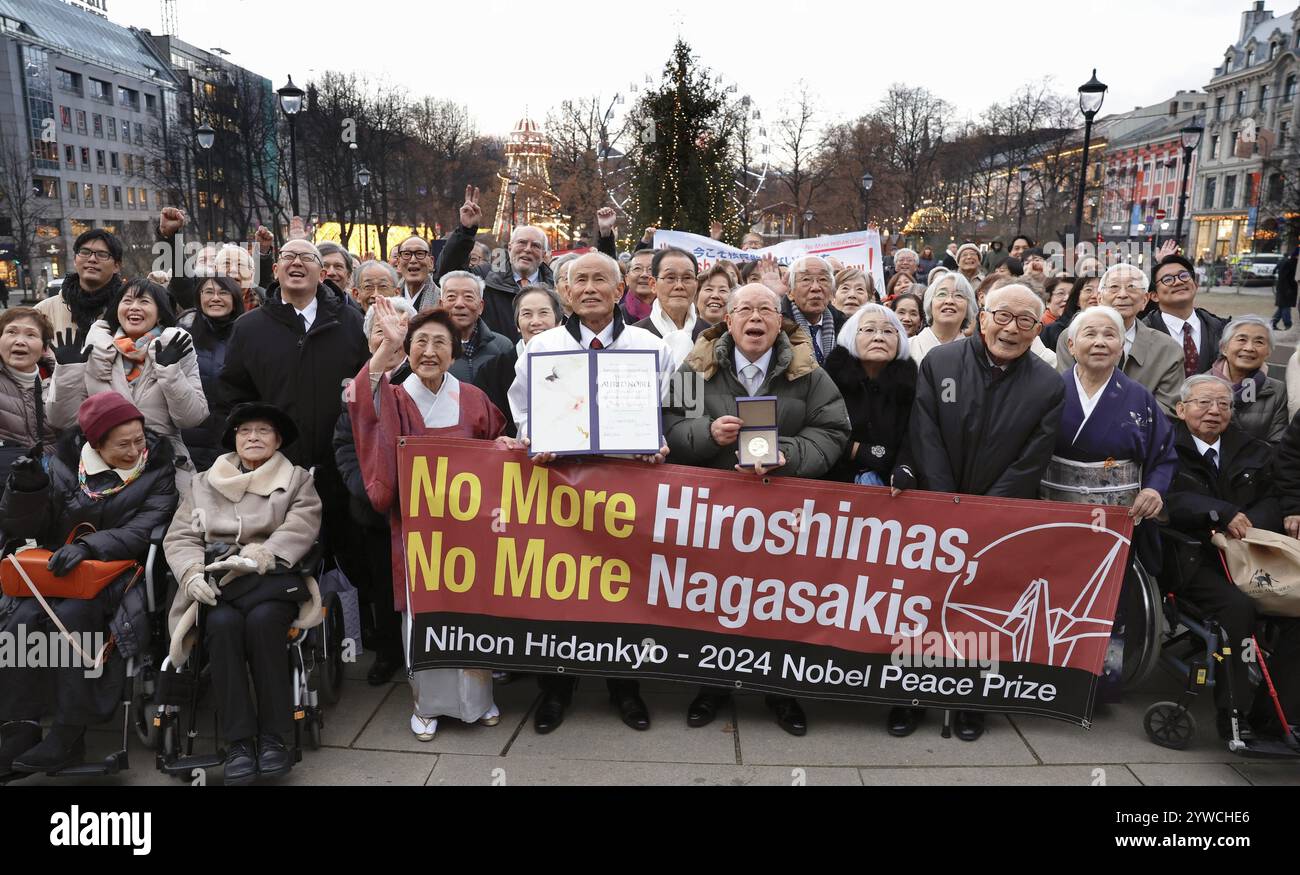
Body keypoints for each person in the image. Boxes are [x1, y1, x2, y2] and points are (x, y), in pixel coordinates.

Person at [662, 282, 850, 736]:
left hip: (780, 514)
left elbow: (833, 430)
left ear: (778, 322)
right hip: (717, 515)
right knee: (716, 600)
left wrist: (790, 454)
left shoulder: (808, 372)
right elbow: (672, 425)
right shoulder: (694, 369)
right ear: (727, 321)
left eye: (766, 309)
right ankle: (713, 686)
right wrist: (709, 434)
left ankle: (780, 690)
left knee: (778, 601)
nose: (755, 319)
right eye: (744, 309)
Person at [507, 251, 674, 735]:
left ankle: (625, 686)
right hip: (561, 488)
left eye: (601, 279)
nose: (590, 288)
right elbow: (521, 408)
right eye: (579, 280)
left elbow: (672, 407)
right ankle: (557, 686)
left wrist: (659, 440)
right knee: (561, 587)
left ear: (621, 289)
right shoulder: (542, 349)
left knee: (622, 588)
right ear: (565, 292)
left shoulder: (650, 347)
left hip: (628, 489)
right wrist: (534, 438)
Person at [900, 283, 1065, 741]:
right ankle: (909, 694)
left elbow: (1033, 459)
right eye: (1002, 316)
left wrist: (987, 511)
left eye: (1025, 321)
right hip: (937, 508)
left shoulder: (1048, 384)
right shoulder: (941, 362)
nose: (1011, 329)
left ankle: (973, 700)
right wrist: (945, 500)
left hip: (999, 517)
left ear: (1038, 329)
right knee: (922, 605)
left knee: (985, 609)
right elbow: (924, 431)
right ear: (982, 316)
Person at [351, 300, 509, 740]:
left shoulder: (474, 397)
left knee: (475, 609)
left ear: (455, 354)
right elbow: (362, 401)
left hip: (472, 527)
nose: (429, 351)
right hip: (420, 530)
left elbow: (498, 445)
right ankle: (427, 703)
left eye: (441, 342)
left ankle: (479, 700)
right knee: (423, 615)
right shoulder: (396, 396)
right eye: (420, 342)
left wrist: (507, 449)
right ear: (407, 350)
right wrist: (387, 348)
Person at [0, 393, 178, 775]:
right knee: (21, 621)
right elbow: (23, 528)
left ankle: (68, 734)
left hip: (117, 575)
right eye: (123, 444)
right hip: (57, 572)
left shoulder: (158, 471)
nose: (135, 450)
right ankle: (19, 729)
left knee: (73, 618)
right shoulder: (62, 465)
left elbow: (145, 528)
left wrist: (89, 546)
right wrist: (27, 490)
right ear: (94, 444)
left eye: (139, 440)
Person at [164, 403, 322, 784]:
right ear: (234, 439)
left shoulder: (297, 479)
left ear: (278, 440)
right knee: (221, 624)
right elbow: (181, 536)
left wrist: (262, 554)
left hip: (269, 578)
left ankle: (272, 738)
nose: (253, 437)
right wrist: (190, 573)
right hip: (216, 585)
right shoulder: (203, 482)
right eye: (244, 431)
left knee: (264, 621)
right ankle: (238, 741)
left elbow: (302, 524)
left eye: (263, 431)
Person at [1045, 306, 1178, 693]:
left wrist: (1153, 489)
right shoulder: (1049, 390)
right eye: (1090, 334)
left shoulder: (1139, 399)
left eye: (1110, 335)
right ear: (1071, 343)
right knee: (1050, 591)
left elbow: (1165, 454)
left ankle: (1098, 680)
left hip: (1116, 518)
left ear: (1122, 346)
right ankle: (1044, 672)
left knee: (1108, 596)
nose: (1100, 342)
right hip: (1054, 513)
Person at [218, 238, 369, 572]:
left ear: (322, 272)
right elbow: (234, 396)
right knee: (285, 567)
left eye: (307, 257)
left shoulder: (351, 321)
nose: (297, 263)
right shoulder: (248, 328)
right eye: (288, 256)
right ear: (275, 270)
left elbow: (368, 387)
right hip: (275, 474)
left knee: (348, 568)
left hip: (341, 469)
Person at [1165, 374, 1300, 739]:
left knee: (1296, 610)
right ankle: (1234, 714)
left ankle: (1276, 715)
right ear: (1181, 409)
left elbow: (1275, 497)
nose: (1214, 411)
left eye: (1223, 405)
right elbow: (1166, 498)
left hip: (1252, 556)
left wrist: (1249, 524)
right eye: (1203, 403)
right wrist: (1219, 513)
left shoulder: (1252, 448)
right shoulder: (1166, 447)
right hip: (1194, 559)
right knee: (1238, 611)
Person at [47, 279, 206, 487]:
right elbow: (62, 421)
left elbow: (192, 418)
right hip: (103, 465)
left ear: (160, 312)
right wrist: (67, 372)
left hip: (163, 462)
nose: (134, 307)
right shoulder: (94, 349)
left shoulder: (176, 348)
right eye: (127, 300)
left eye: (144, 301)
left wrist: (170, 372)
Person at [333, 296, 417, 686]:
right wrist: (365, 487)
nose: (392, 340)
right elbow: (345, 446)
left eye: (400, 332)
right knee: (382, 587)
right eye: (381, 332)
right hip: (375, 511)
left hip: (426, 510)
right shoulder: (358, 388)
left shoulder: (428, 380)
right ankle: (387, 653)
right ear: (369, 340)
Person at [1055, 263, 1184, 415]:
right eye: (1114, 287)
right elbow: (1067, 393)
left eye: (1132, 287)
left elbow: (1167, 408)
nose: (1122, 294)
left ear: (1145, 300)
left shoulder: (1167, 349)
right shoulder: (1072, 336)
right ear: (1099, 297)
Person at [824, 304, 915, 486]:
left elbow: (915, 437)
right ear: (851, 336)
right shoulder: (829, 377)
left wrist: (904, 467)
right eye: (869, 330)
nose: (879, 337)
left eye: (888, 331)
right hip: (833, 482)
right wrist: (859, 451)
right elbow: (820, 432)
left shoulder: (912, 383)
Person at [474, 287, 561, 439]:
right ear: (517, 325)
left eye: (544, 313)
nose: (535, 321)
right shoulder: (492, 371)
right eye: (527, 314)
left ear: (558, 322)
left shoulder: (576, 363)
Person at [177, 276, 244, 471]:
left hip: (231, 437)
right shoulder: (182, 334)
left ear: (235, 299)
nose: (215, 298)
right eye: (209, 292)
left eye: (223, 293)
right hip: (189, 438)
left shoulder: (249, 334)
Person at [1143, 253, 1228, 377]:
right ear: (1154, 296)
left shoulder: (1222, 330)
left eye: (1184, 276)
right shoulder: (1141, 334)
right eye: (1167, 279)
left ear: (1195, 285)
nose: (1178, 282)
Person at [0, 308, 57, 489]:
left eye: (31, 335)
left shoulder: (59, 379)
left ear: (44, 348)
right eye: (11, 332)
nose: (20, 341)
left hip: (54, 483)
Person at [1208, 316, 1288, 444]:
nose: (1249, 348)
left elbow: (1277, 442)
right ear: (1224, 348)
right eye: (1241, 340)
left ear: (1268, 352)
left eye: (1259, 342)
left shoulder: (1277, 391)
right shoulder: (1199, 386)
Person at [35, 229, 124, 336]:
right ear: (74, 260)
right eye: (85, 252)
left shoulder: (129, 310)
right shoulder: (43, 311)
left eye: (102, 254)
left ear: (117, 266)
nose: (92, 259)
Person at [634, 247, 709, 368]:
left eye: (687, 278)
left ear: (696, 285)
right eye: (670, 278)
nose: (679, 286)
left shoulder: (711, 337)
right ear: (653, 284)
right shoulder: (635, 338)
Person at [439, 271, 512, 383]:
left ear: (481, 307)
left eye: (468, 297)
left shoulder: (503, 346)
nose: (459, 304)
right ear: (441, 305)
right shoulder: (430, 347)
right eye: (451, 297)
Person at [783, 255, 845, 365]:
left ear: (831, 292)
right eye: (806, 279)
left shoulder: (845, 327)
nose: (816, 287)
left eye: (823, 279)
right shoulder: (779, 327)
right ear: (790, 292)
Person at [910, 272, 977, 363]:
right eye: (942, 294)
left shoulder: (977, 355)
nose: (949, 301)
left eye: (959, 295)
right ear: (930, 304)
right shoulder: (906, 347)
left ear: (968, 308)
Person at [1042, 275, 1101, 350]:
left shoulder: (1116, 326)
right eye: (1088, 290)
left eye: (1100, 290)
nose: (1095, 295)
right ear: (1077, 300)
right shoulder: (1053, 331)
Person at [392, 236, 439, 310]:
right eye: (406, 254)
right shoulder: (389, 298)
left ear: (431, 262)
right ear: (398, 262)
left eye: (420, 253)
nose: (413, 260)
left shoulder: (442, 301)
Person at [620, 249, 656, 324]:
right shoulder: (614, 316)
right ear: (627, 279)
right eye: (637, 268)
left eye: (651, 269)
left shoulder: (673, 313)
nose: (644, 274)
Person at [1273, 244, 1298, 330]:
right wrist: (1288, 289)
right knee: (1286, 307)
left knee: (1282, 307)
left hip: (1284, 289)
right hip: (1286, 289)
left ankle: (1272, 323)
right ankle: (1288, 324)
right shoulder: (1290, 263)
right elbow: (1285, 277)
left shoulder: (1288, 262)